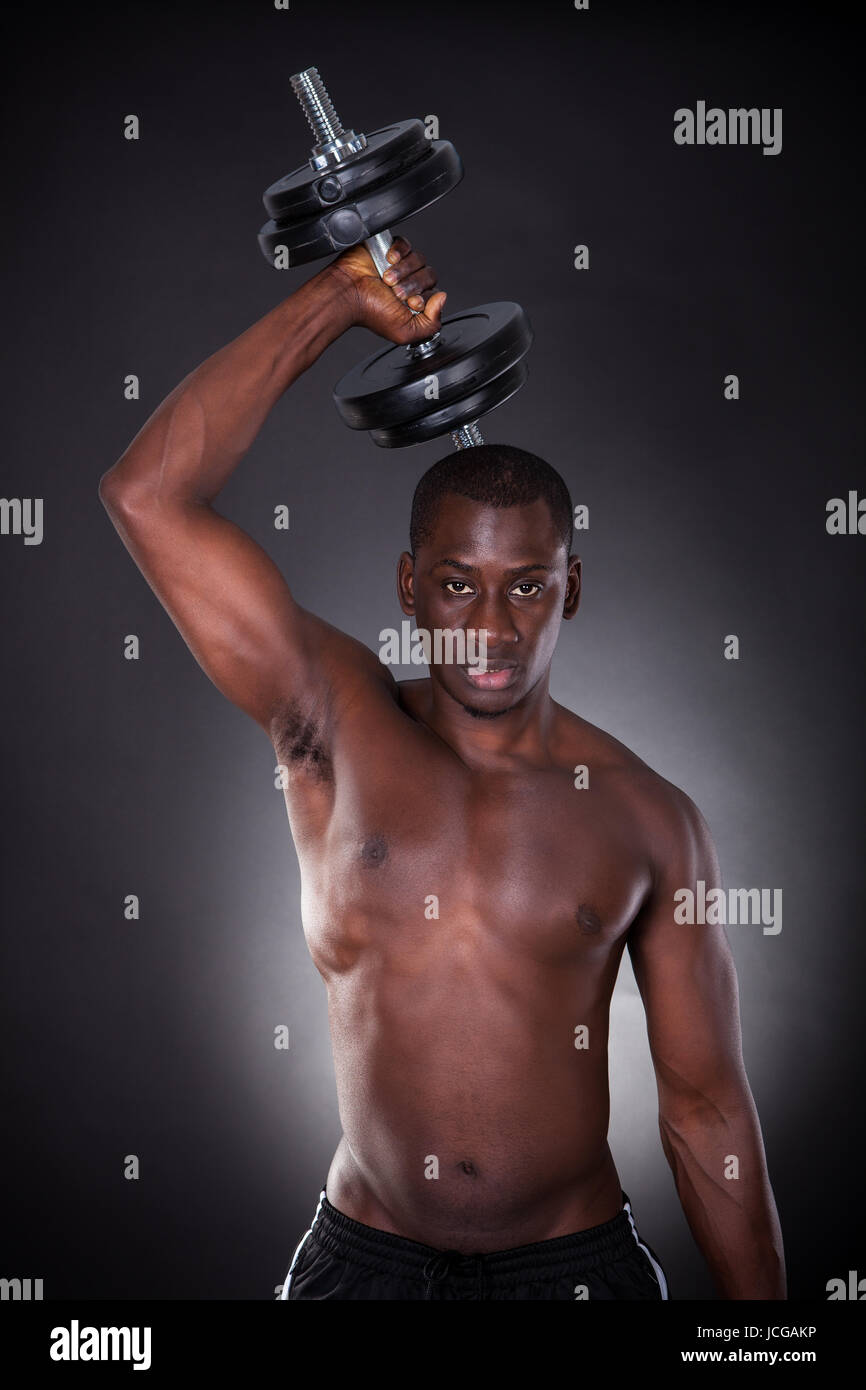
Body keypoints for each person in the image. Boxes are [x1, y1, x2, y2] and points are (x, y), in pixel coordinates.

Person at [98, 237, 785, 1301]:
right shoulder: (327, 714)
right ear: (409, 585)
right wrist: (335, 300)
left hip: (573, 1271)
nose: (492, 627)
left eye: (525, 586)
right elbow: (147, 495)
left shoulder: (650, 819)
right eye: (458, 584)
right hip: (362, 1264)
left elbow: (704, 1111)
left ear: (571, 589)